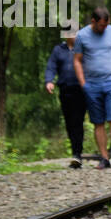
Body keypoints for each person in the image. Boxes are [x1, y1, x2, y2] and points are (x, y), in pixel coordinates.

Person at [73, 7, 111, 169]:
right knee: (98, 122)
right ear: (93, 22)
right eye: (101, 26)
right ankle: (104, 157)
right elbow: (77, 60)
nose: (104, 28)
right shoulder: (82, 35)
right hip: (92, 85)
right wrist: (83, 83)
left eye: (106, 25)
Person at [44, 27, 86, 167]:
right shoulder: (58, 50)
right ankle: (75, 152)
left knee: (78, 121)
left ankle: (77, 154)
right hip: (65, 90)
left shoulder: (83, 48)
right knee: (69, 122)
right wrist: (49, 81)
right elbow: (51, 66)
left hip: (81, 90)